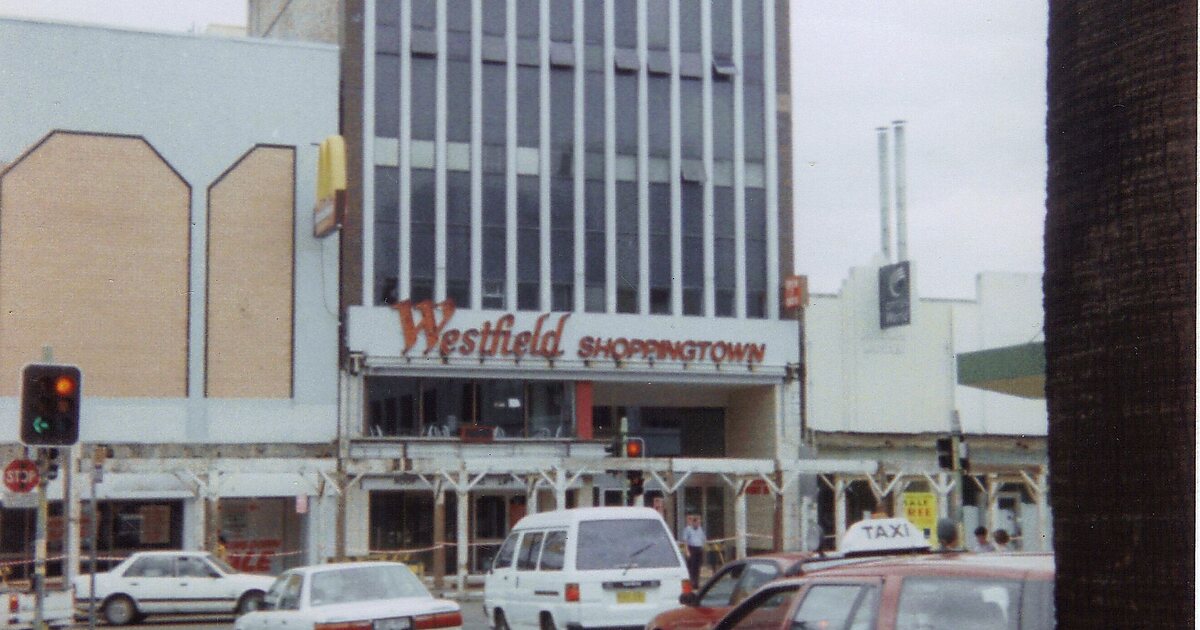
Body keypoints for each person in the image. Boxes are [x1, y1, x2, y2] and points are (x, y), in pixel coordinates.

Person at [681, 512, 706, 588]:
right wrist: (687, 551)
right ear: (693, 522)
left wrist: (703, 547)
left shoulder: (700, 529)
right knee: (691, 567)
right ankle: (691, 583)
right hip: (692, 549)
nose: (698, 524)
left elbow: (703, 539)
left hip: (699, 549)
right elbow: (685, 541)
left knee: (697, 567)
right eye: (696, 523)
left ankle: (696, 583)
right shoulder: (688, 529)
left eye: (699, 523)